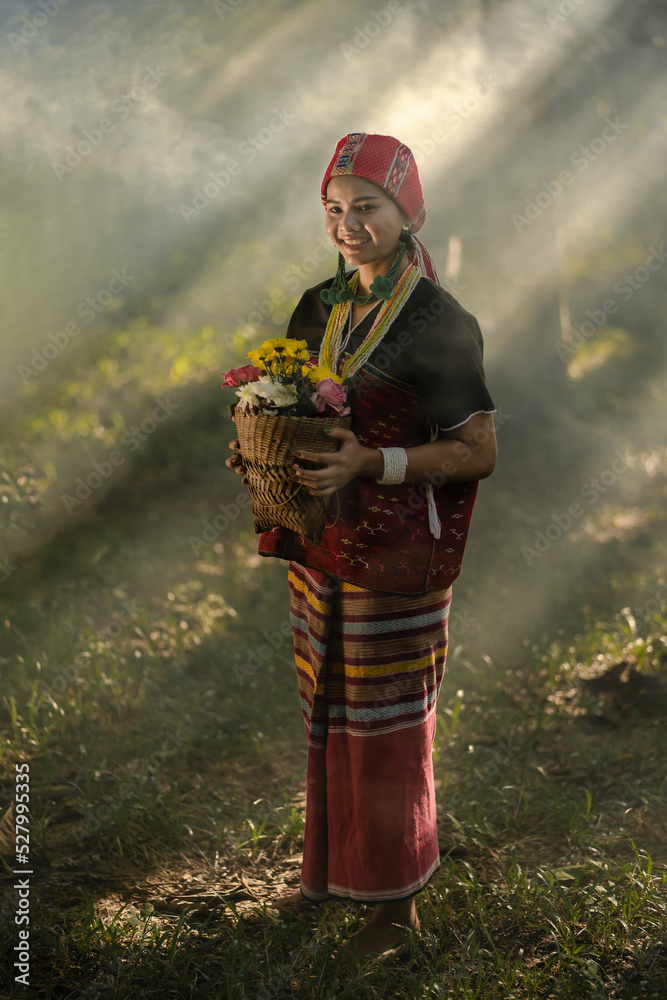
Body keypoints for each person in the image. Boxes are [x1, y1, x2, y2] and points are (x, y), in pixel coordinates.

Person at [226, 132, 496, 962]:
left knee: (387, 725)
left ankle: (396, 915)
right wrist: (257, 436)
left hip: (399, 555)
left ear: (407, 209)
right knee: (330, 713)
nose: (347, 225)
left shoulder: (439, 322)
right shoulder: (318, 303)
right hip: (321, 539)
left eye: (366, 207)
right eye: (334, 210)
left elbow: (478, 448)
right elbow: (299, 405)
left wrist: (373, 462)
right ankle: (335, 874)